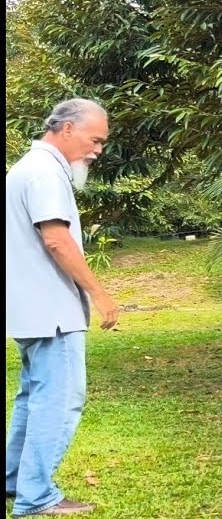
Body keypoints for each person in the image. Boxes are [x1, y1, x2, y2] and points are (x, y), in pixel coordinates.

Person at [6, 98, 119, 517]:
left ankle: (16, 481)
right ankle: (36, 498)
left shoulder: (25, 168)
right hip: (52, 310)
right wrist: (98, 293)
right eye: (95, 140)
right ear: (67, 129)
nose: (97, 150)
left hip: (27, 307)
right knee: (59, 400)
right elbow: (56, 240)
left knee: (33, 396)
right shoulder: (45, 173)